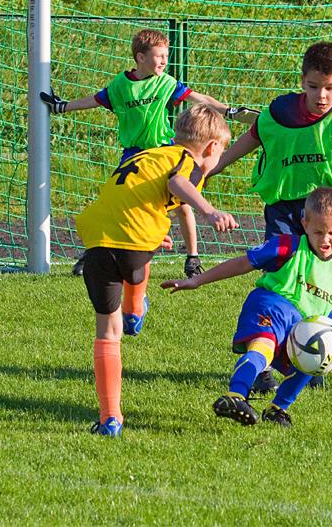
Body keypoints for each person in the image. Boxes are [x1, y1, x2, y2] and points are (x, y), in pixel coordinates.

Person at [208, 41, 332, 394]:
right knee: (279, 275)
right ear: (302, 82)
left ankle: (314, 352)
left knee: (320, 283)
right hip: (284, 207)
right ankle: (262, 353)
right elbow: (250, 140)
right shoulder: (279, 113)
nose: (321, 95)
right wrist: (215, 167)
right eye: (313, 87)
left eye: (329, 88)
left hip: (325, 210)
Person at [40, 28, 257, 279]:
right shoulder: (120, 86)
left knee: (184, 203)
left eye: (167, 55)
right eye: (159, 56)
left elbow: (200, 98)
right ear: (141, 57)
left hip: (164, 151)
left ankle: (192, 258)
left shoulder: (165, 83)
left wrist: (228, 110)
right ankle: (92, 255)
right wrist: (62, 107)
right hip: (134, 154)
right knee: (119, 203)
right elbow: (92, 100)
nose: (164, 61)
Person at [76, 105, 238, 437]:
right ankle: (134, 310)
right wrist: (208, 211)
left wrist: (147, 232)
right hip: (131, 244)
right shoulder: (186, 161)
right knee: (138, 259)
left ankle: (110, 419)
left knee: (107, 333)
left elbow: (138, 198)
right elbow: (179, 182)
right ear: (211, 147)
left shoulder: (149, 156)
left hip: (97, 237)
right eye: (218, 155)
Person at [161, 187, 332, 428]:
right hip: (270, 307)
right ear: (304, 223)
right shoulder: (288, 247)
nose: (325, 239)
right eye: (318, 232)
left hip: (301, 325)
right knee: (262, 349)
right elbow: (244, 263)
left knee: (321, 347)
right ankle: (236, 395)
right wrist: (196, 280)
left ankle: (277, 408)